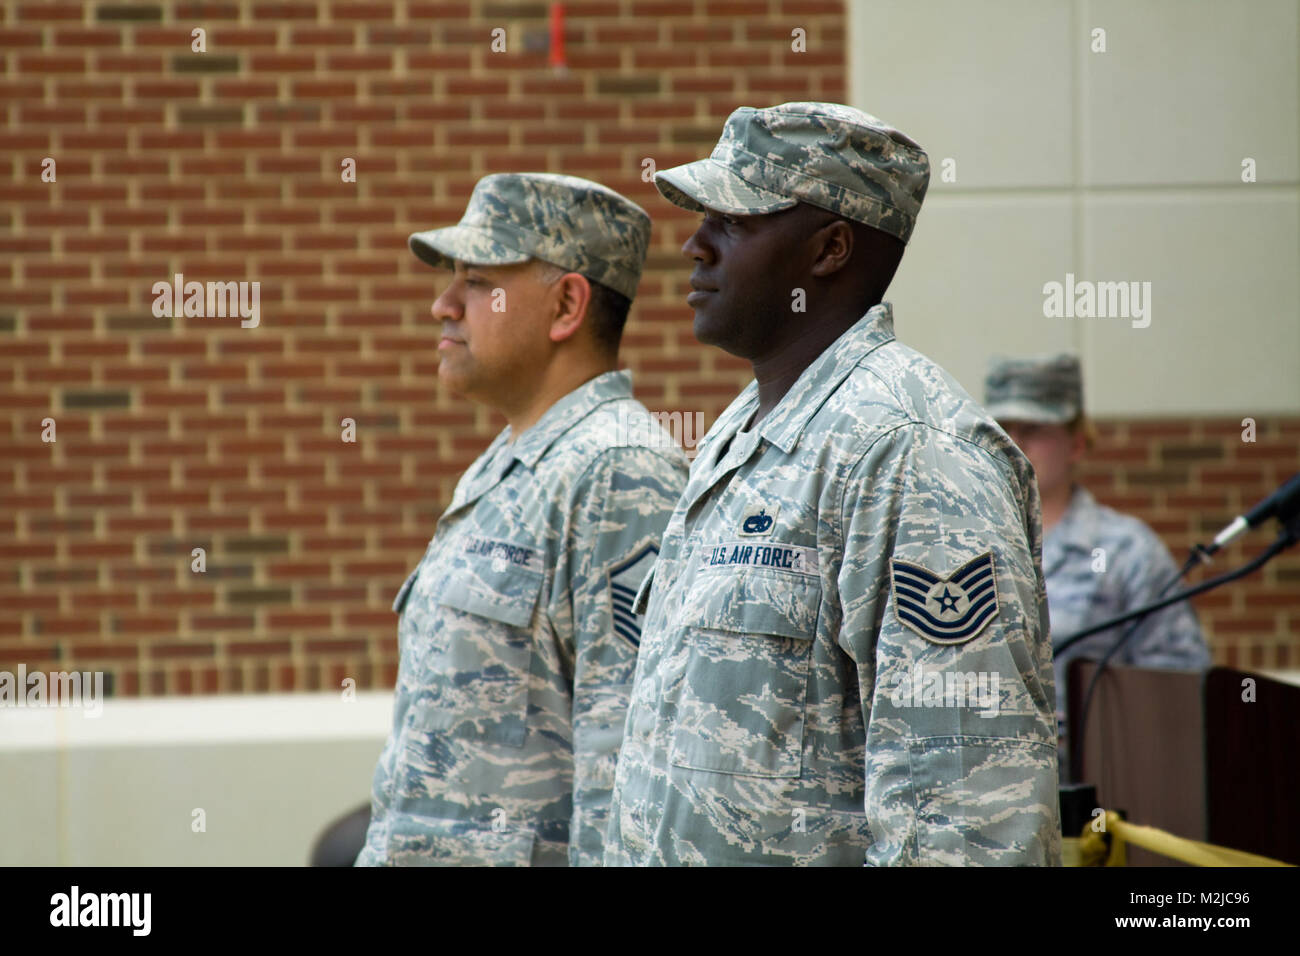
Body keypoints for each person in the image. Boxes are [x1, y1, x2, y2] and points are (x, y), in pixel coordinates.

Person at [604, 102, 1061, 866]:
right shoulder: (740, 433)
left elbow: (965, 821)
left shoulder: (910, 452)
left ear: (830, 249)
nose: (695, 246)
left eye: (735, 222)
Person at [356, 173, 688, 866]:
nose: (441, 305)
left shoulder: (617, 472)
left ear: (567, 304)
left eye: (477, 281)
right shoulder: (510, 462)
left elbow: (624, 769)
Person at [984, 353, 1211, 766]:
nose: (1013, 443)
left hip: (1096, 795)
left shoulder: (1127, 551)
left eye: (1033, 428)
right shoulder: (965, 544)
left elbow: (1182, 689)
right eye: (1001, 428)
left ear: (1077, 442)